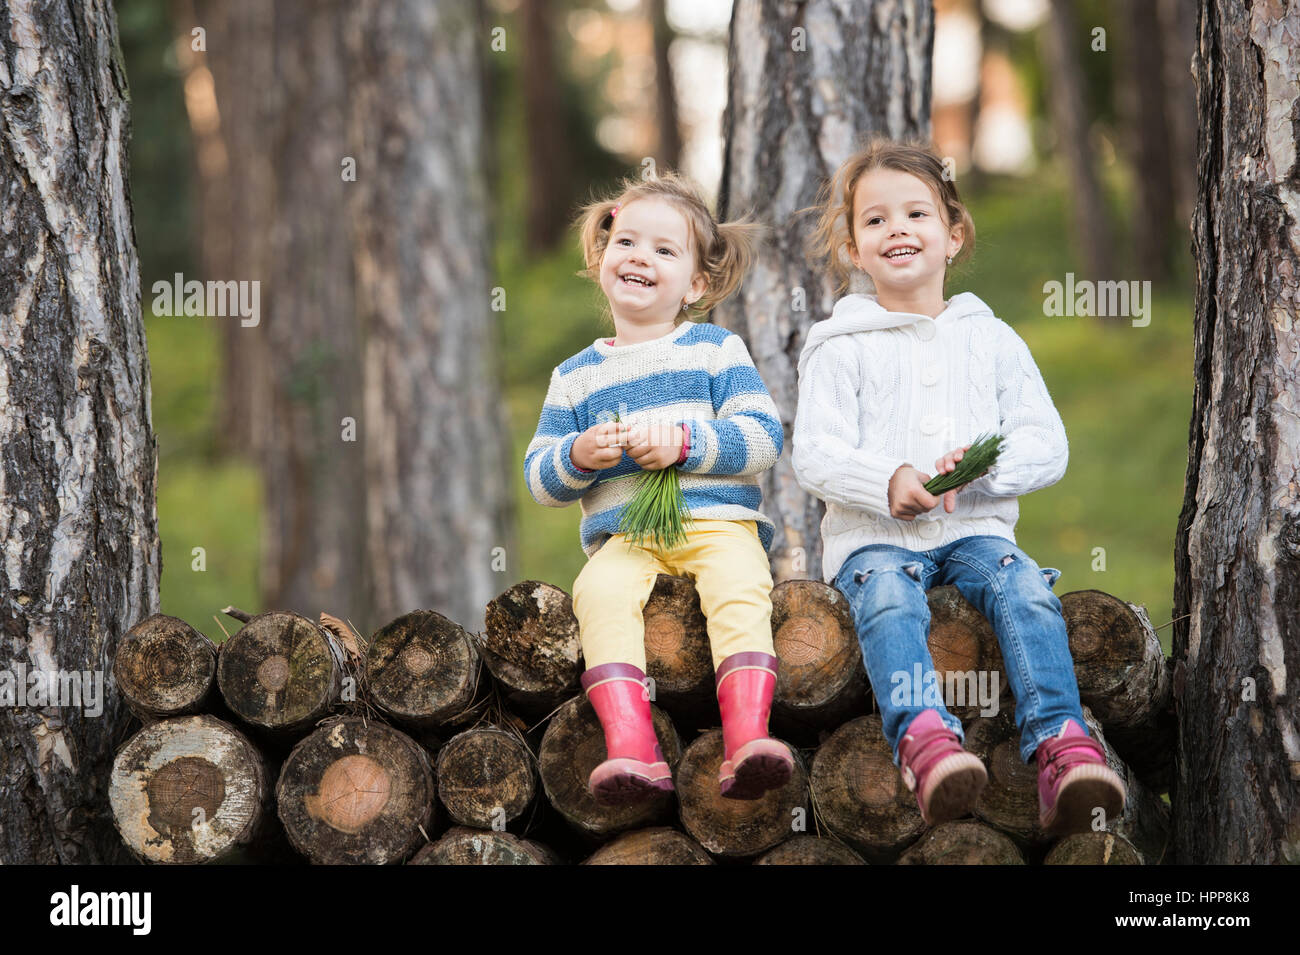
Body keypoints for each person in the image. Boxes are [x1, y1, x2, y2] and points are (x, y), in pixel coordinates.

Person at [791, 138, 1125, 834]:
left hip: (976, 531)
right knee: (887, 597)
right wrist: (887, 480)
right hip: (875, 538)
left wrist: (979, 470)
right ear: (853, 247)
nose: (898, 230)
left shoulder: (991, 338)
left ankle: (1062, 745)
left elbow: (1046, 443)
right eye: (875, 220)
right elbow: (815, 454)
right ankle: (927, 743)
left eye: (916, 213)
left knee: (1024, 588)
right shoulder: (839, 343)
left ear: (953, 233)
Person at [524, 172, 792, 804]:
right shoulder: (574, 376)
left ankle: (747, 736)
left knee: (739, 583)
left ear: (696, 283)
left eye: (665, 250)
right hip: (627, 536)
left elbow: (762, 439)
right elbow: (540, 479)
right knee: (600, 591)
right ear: (601, 257)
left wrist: (685, 443)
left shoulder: (715, 351)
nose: (641, 256)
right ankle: (633, 747)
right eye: (627, 242)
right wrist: (578, 455)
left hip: (715, 524)